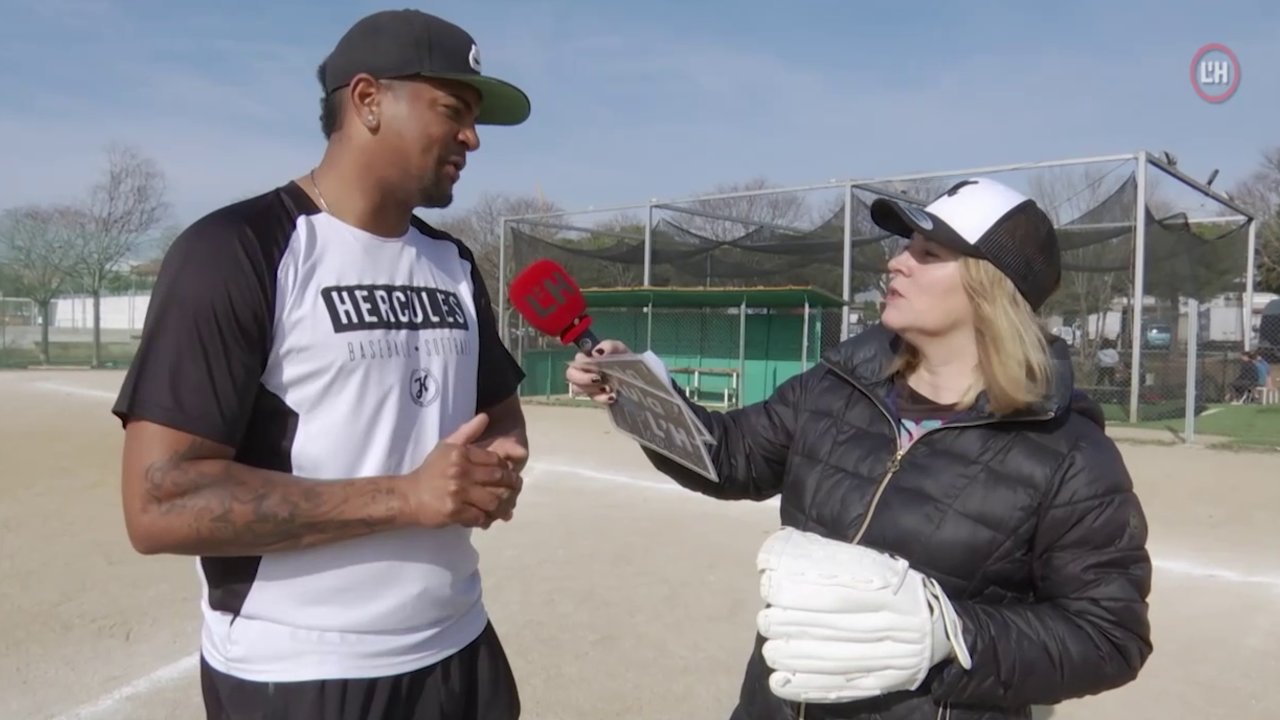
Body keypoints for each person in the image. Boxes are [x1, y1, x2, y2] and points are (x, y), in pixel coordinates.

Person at [567, 178, 1153, 720]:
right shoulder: (838, 385)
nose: (895, 262)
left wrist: (949, 637)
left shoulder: (1069, 455)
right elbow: (730, 456)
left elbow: (1107, 636)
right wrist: (639, 395)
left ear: (990, 285)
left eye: (926, 252)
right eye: (905, 246)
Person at [112, 10, 531, 720]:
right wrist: (405, 496)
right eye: (453, 110)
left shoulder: (453, 264)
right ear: (367, 100)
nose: (472, 136)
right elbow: (160, 504)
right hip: (301, 672)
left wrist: (498, 460)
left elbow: (497, 412)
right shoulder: (236, 251)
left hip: (459, 651)